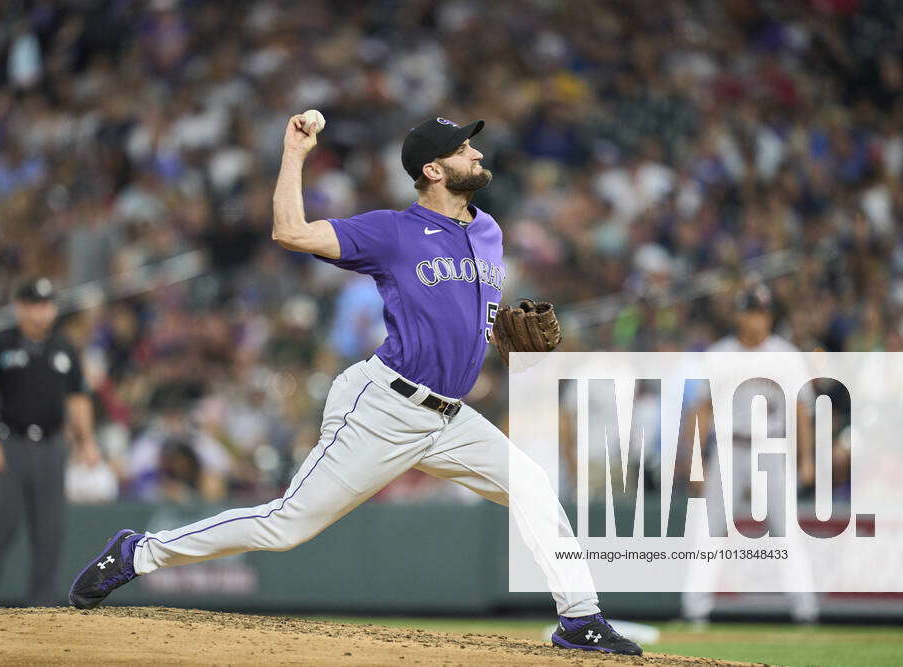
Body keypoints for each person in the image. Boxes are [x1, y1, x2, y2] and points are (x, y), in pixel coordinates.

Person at [69, 115, 642, 655]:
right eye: (463, 148)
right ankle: (138, 552)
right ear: (433, 170)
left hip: (451, 417)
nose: (477, 153)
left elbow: (466, 317)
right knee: (287, 524)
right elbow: (289, 231)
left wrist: (501, 338)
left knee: (534, 486)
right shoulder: (393, 231)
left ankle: (580, 620)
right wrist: (294, 152)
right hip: (384, 407)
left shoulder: (489, 231)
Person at [681, 284, 819, 626]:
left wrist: (806, 459)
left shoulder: (786, 355)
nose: (758, 319)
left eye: (763, 313)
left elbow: (802, 411)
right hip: (729, 448)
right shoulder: (719, 354)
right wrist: (695, 461)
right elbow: (701, 410)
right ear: (738, 315)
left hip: (771, 448)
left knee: (787, 532)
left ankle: (806, 612)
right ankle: (694, 610)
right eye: (752, 312)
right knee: (709, 531)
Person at [0, 277, 99, 608]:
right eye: (36, 304)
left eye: (48, 305)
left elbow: (78, 396)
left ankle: (42, 606)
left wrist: (87, 440)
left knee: (49, 530)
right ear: (20, 307)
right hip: (11, 445)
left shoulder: (64, 348)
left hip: (52, 446)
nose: (43, 312)